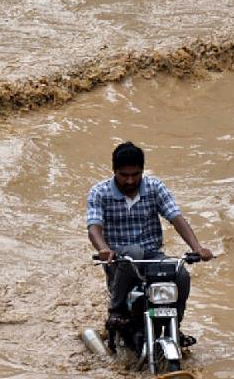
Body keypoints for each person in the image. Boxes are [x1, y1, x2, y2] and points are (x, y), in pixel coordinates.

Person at [86, 141, 215, 330]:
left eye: (135, 174)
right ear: (114, 171)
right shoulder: (99, 192)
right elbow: (94, 227)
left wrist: (197, 248)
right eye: (124, 175)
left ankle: (174, 327)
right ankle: (116, 311)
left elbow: (176, 217)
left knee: (181, 275)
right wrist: (103, 249)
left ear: (142, 171)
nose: (130, 181)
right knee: (133, 251)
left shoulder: (155, 188)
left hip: (151, 256)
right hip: (118, 260)